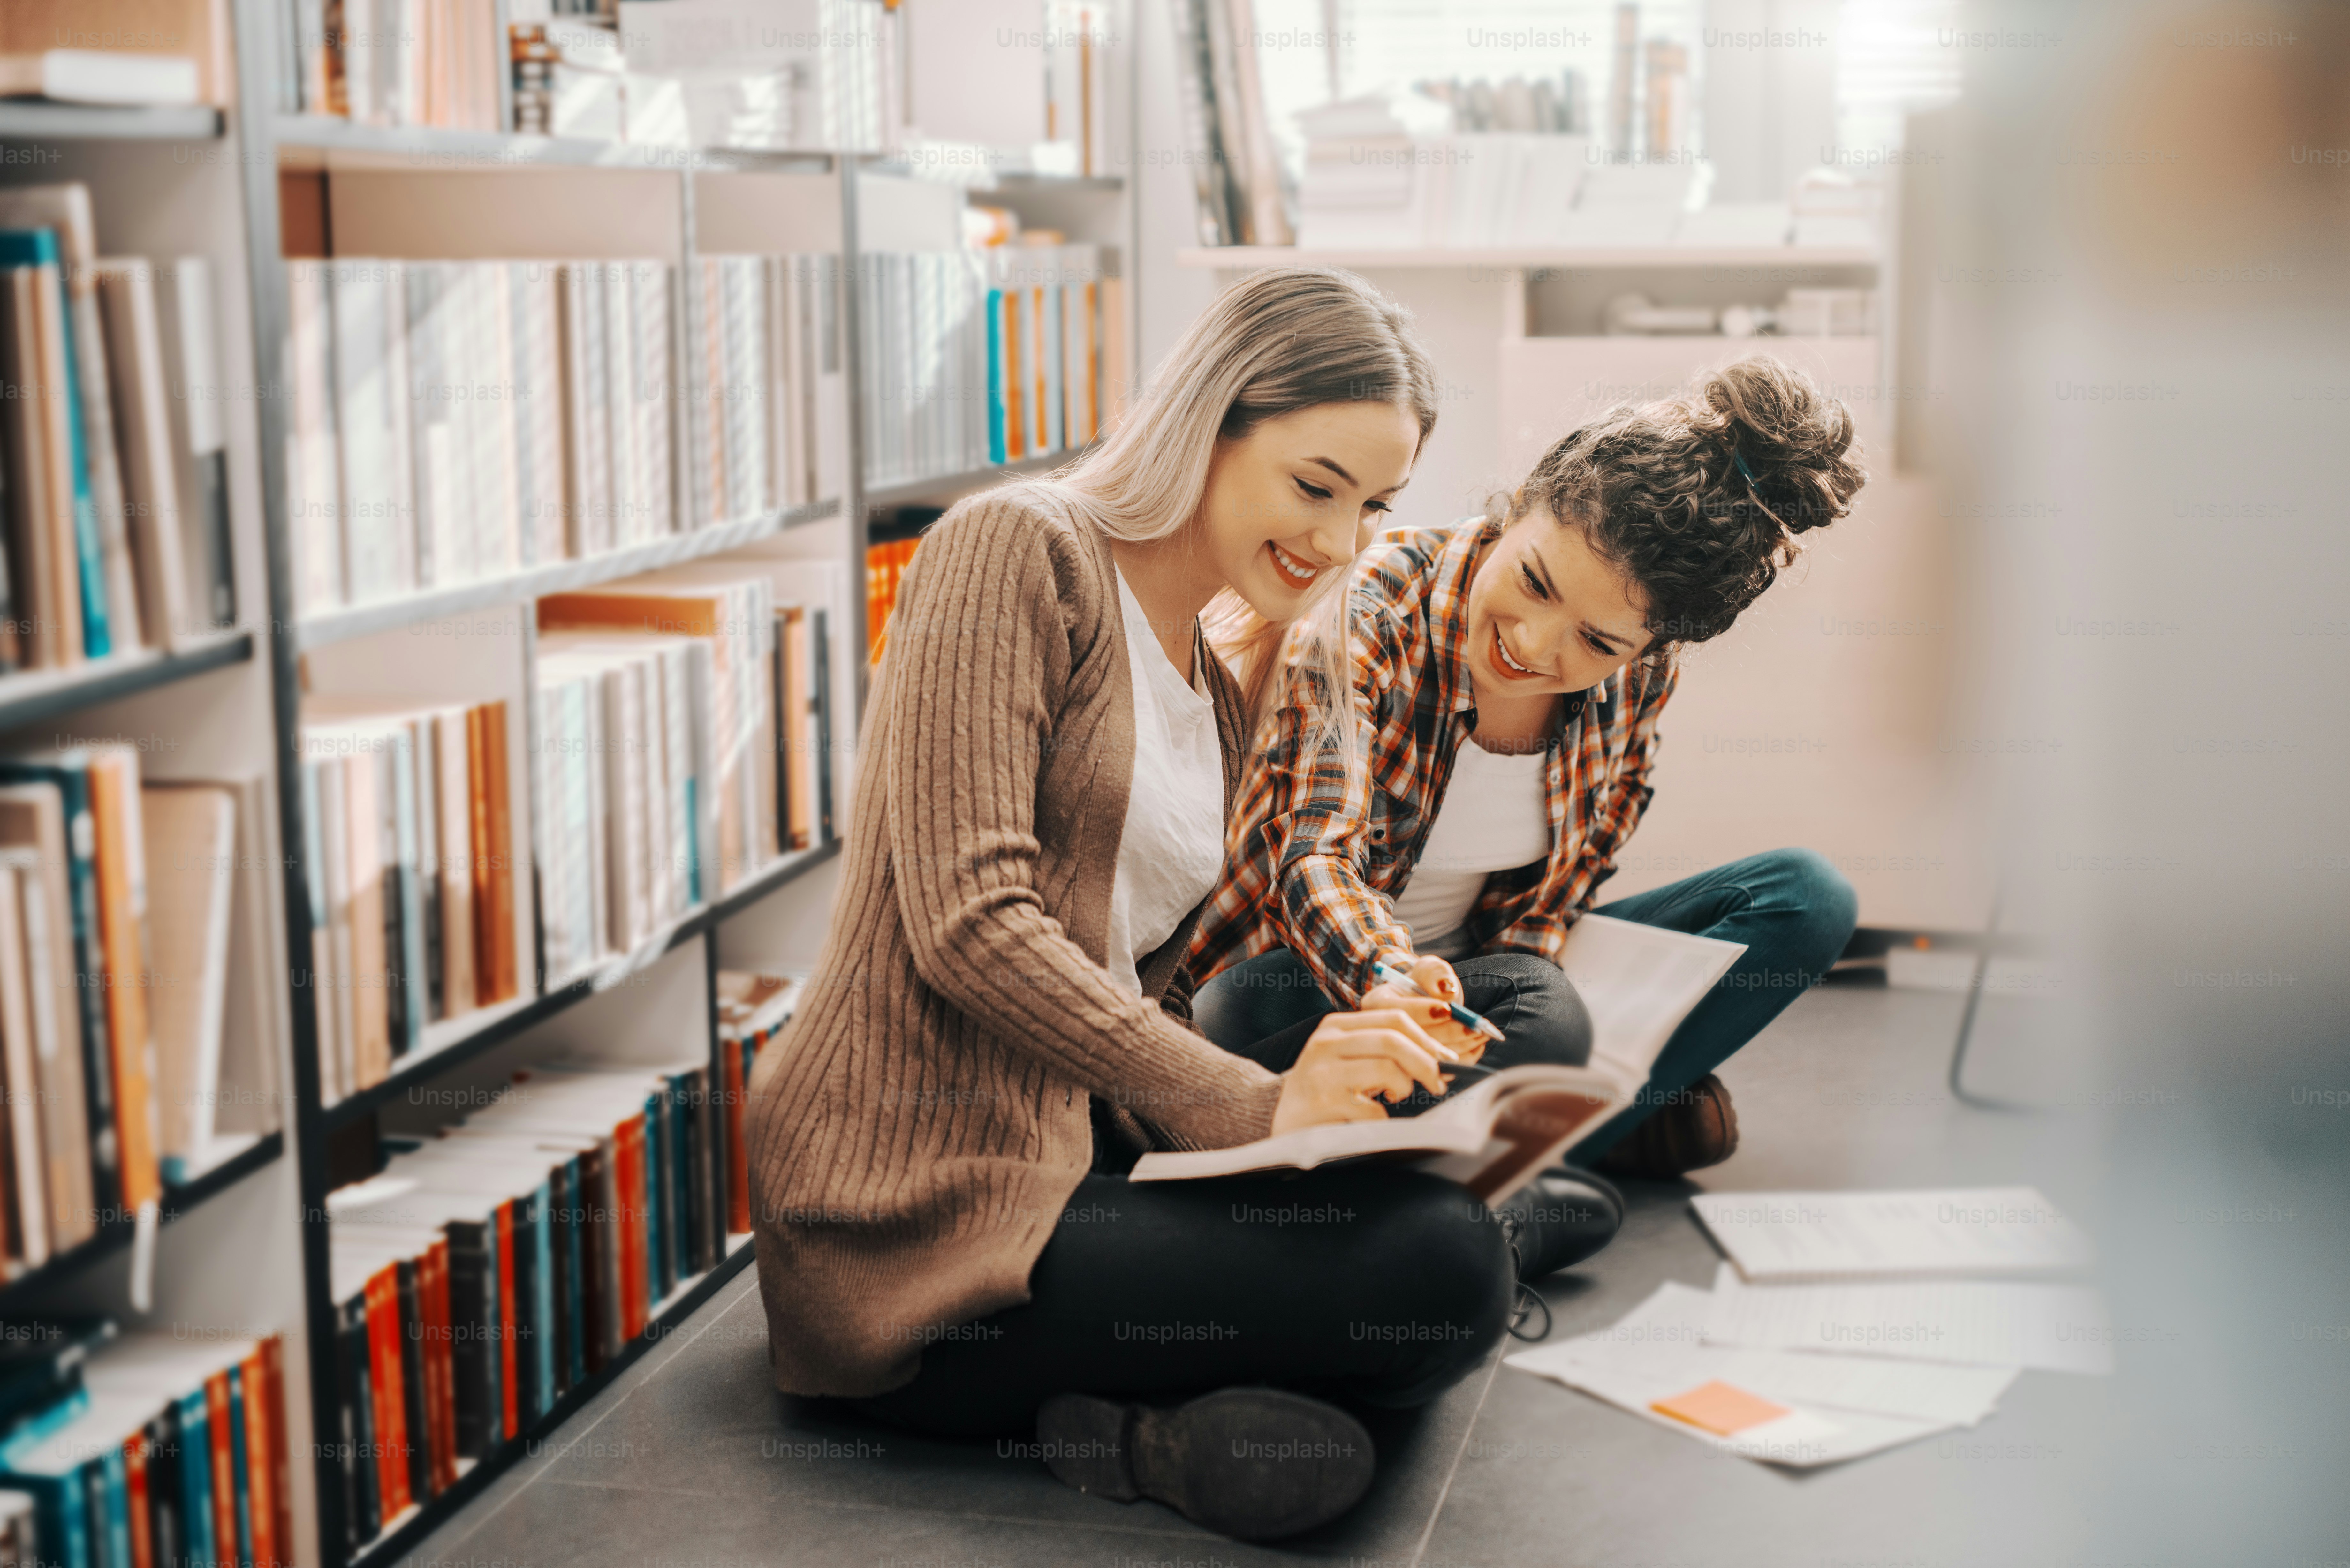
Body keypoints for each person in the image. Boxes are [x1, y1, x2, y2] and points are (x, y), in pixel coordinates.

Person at [744, 268, 1515, 1543]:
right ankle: (1149, 1407)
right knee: (1444, 1268)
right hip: (927, 1206)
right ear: (1209, 421)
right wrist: (1254, 1111)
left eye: (1374, 507)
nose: (1341, 544)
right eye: (1316, 486)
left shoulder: (1213, 676)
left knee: (1455, 1086)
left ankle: (1149, 1404)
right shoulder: (1014, 548)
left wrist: (1330, 1085)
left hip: (1081, 1144)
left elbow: (1139, 978)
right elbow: (970, 922)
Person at [1188, 357, 1868, 1200]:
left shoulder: (1642, 675)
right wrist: (1396, 983)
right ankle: (1531, 1161)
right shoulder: (1370, 606)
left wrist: (1502, 1018)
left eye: (1598, 642)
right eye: (1535, 582)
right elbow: (1311, 857)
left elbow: (1565, 888)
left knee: (1806, 898)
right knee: (1539, 1017)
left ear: (1648, 647)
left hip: (1489, 980)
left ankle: (1473, 1169)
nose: (1535, 646)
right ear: (1518, 507)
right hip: (1314, 985)